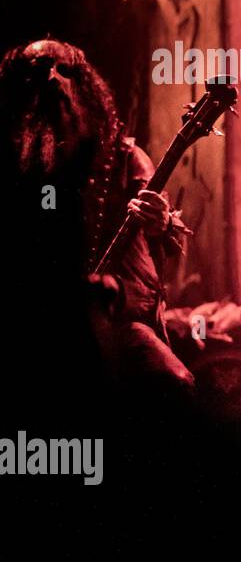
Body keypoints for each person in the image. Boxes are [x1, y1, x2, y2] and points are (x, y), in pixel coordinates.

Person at [0, 38, 193, 392]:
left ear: (84, 86)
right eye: (40, 71)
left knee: (172, 383)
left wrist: (160, 221)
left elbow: (169, 237)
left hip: (120, 321)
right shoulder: (18, 170)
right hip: (42, 326)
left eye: (64, 70)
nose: (53, 79)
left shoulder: (124, 160)